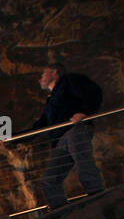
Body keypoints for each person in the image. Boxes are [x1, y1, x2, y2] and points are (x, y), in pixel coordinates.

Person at [19, 64, 105, 208]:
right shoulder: (51, 101)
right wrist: (11, 138)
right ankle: (61, 211)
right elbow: (39, 126)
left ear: (54, 73)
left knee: (83, 164)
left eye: (43, 74)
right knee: (49, 179)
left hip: (75, 130)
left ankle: (98, 200)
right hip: (59, 140)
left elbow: (94, 92)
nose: (40, 78)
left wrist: (84, 112)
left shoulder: (69, 81)